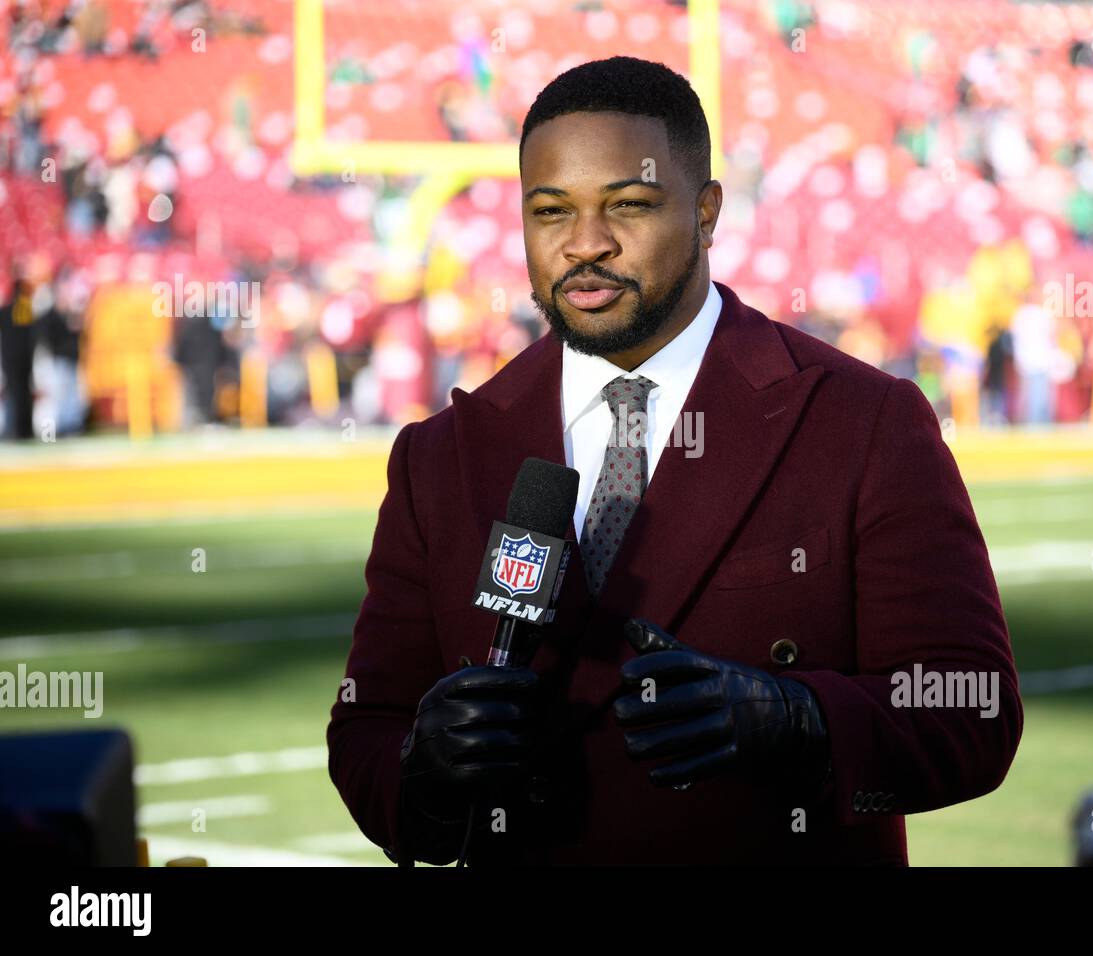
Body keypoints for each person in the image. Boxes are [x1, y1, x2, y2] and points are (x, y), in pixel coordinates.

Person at [327, 56, 1021, 866]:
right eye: (551, 211)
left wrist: (800, 718)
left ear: (706, 212)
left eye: (629, 204)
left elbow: (975, 710)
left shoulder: (862, 421)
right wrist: (425, 770)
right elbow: (367, 729)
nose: (586, 244)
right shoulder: (439, 456)